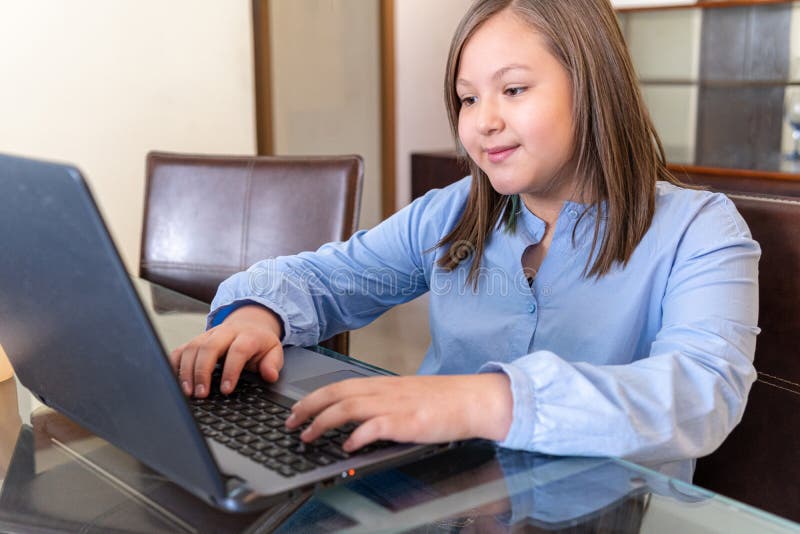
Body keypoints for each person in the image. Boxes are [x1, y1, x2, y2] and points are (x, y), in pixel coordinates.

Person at [171, 0, 759, 481]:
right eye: (468, 97)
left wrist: (481, 401)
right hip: (437, 499)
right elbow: (326, 278)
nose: (483, 122)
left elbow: (704, 392)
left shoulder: (700, 229)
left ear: (594, 88)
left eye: (514, 90)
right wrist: (255, 313)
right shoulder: (451, 214)